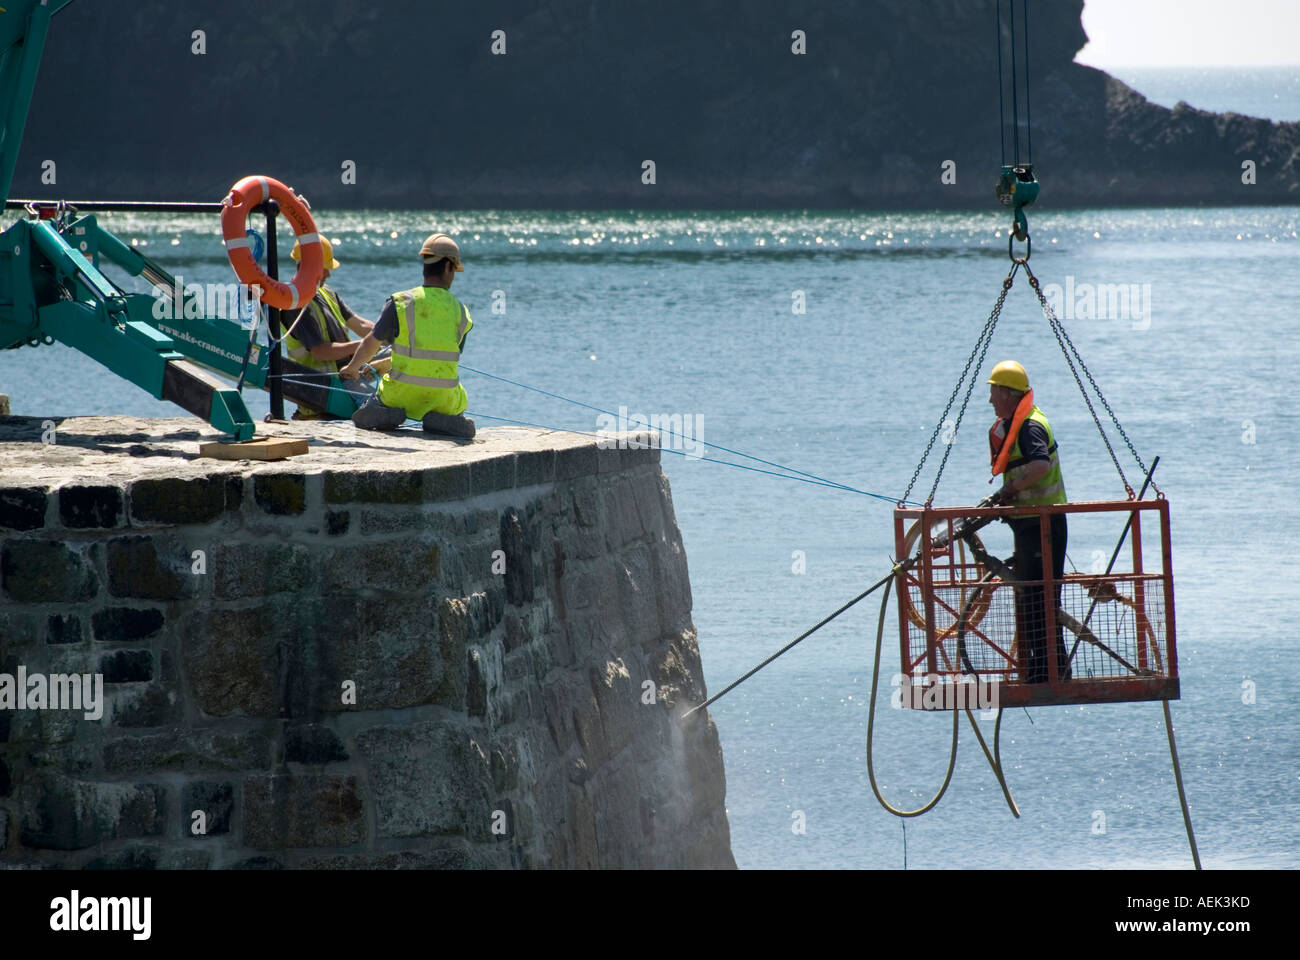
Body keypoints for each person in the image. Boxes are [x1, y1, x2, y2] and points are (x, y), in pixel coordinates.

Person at [340, 232, 475, 438]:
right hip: (443, 398)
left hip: (400, 395)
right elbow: (434, 357)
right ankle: (449, 419)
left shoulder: (401, 302)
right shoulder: (461, 311)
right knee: (456, 404)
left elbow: (370, 343)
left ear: (425, 265)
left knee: (375, 402)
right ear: (448, 267)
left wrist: (352, 369)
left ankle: (388, 414)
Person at [987, 360, 1071, 684]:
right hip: (1031, 524)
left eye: (994, 393)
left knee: (1041, 599)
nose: (991, 400)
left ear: (1008, 394)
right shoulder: (1018, 424)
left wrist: (1010, 488)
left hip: (1044, 526)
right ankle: (1041, 670)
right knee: (1034, 599)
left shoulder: (1030, 426)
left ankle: (1051, 672)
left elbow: (1038, 466)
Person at [281, 237, 377, 420]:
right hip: (321, 397)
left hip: (345, 382)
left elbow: (361, 325)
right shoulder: (294, 304)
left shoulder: (327, 293)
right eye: (326, 268)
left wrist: (389, 335)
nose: (329, 275)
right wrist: (364, 346)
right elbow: (320, 352)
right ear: (310, 265)